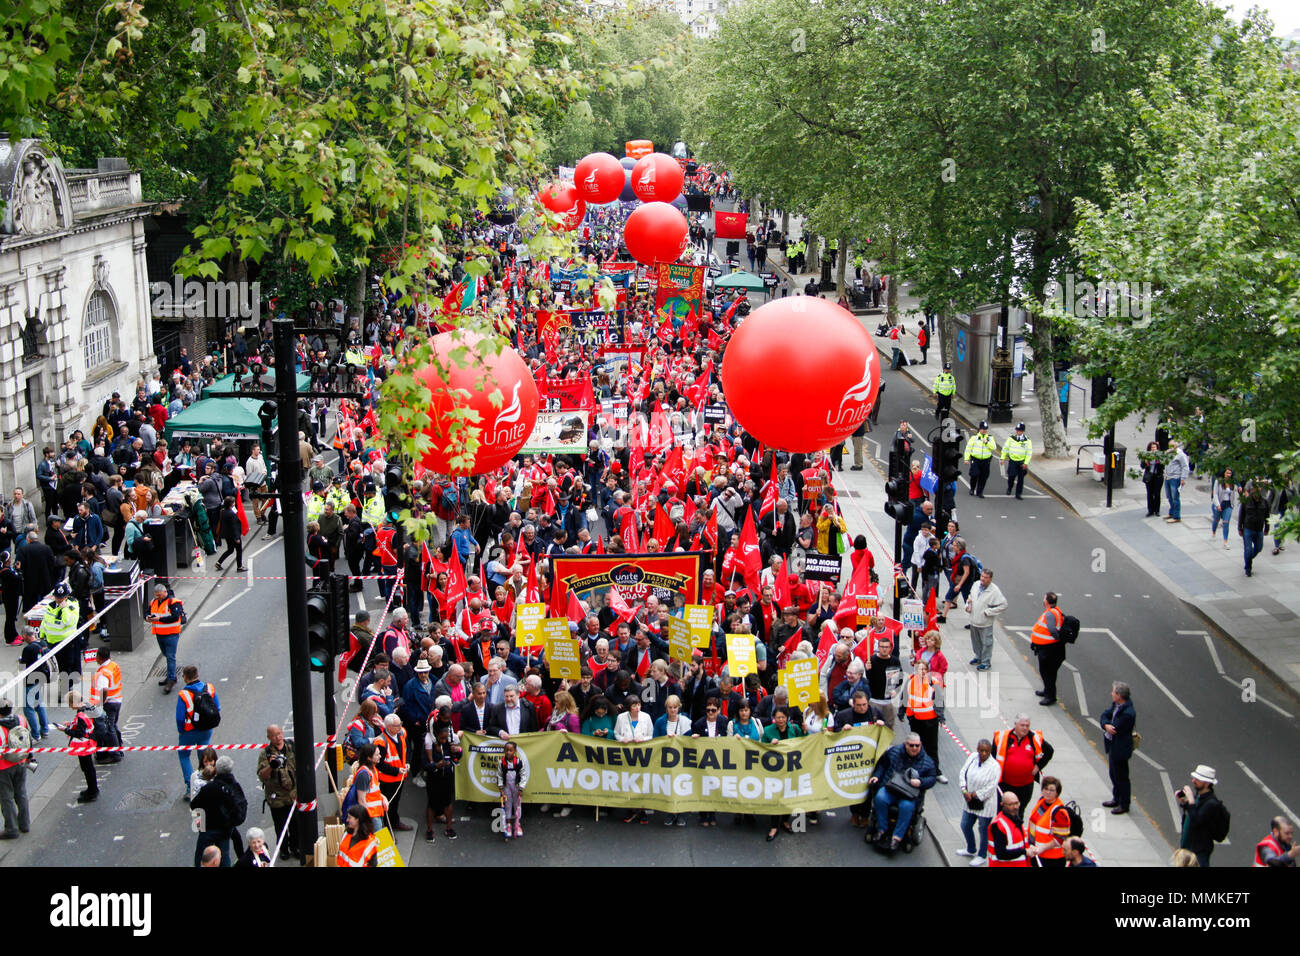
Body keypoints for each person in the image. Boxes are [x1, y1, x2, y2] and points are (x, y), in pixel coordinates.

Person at [867, 733, 937, 851]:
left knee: (906, 807)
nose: (914, 748)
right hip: (891, 788)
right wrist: (877, 776)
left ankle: (897, 837)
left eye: (917, 745)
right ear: (905, 744)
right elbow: (883, 765)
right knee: (880, 798)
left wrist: (921, 782)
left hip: (909, 794)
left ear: (921, 745)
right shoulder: (894, 752)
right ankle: (882, 829)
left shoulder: (927, 762)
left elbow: (932, 778)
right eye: (911, 745)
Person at [190, 755, 246, 867]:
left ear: (216, 769)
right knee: (224, 854)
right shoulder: (234, 786)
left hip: (208, 828)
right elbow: (240, 805)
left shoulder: (210, 787)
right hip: (226, 828)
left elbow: (194, 804)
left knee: (201, 854)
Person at [176, 664, 221, 794]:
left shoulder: (183, 694)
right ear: (197, 675)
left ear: (185, 678)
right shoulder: (210, 688)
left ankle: (191, 786)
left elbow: (180, 718)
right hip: (206, 729)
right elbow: (217, 708)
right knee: (204, 755)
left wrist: (181, 730)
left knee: (184, 755)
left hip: (189, 731)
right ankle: (206, 781)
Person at [993, 714, 1053, 809]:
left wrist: (1038, 766)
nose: (1025, 728)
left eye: (1027, 726)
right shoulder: (1003, 737)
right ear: (1015, 724)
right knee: (1003, 811)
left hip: (1025, 786)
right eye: (1022, 725)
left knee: (1019, 812)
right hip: (1006, 785)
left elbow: (1050, 751)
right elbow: (992, 757)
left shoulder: (1034, 738)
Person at [256, 724, 298, 861]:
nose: (278, 737)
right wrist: (271, 766)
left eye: (280, 733)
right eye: (274, 735)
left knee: (295, 823)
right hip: (277, 798)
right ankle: (284, 849)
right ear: (269, 737)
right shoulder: (266, 754)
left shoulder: (291, 747)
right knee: (280, 826)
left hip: (293, 794)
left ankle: (296, 846)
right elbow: (262, 775)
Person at [761, 707, 803, 841]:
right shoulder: (768, 730)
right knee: (776, 798)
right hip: (775, 771)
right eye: (778, 718)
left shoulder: (795, 729)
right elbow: (761, 748)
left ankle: (785, 821)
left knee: (788, 796)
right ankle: (774, 826)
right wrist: (770, 745)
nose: (780, 720)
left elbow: (805, 743)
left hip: (790, 769)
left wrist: (806, 732)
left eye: (783, 718)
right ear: (774, 718)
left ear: (787, 718)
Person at [955, 738, 1000, 866]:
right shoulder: (973, 758)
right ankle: (971, 848)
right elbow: (963, 773)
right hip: (969, 802)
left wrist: (975, 794)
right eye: (981, 750)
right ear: (977, 749)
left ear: (990, 751)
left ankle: (982, 855)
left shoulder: (995, 766)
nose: (984, 753)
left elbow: (991, 787)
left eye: (986, 751)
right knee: (965, 825)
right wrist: (964, 790)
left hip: (985, 805)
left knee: (983, 829)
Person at [1177, 764, 1228, 867]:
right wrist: (1184, 803)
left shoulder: (1211, 804)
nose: (1193, 781)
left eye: (1198, 779)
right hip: (1188, 849)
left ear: (1207, 783)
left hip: (1199, 853)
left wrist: (1191, 802)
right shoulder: (1199, 797)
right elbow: (1192, 815)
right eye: (1194, 778)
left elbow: (1197, 821)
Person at [1099, 681, 1136, 815]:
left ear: (1119, 695)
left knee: (1121, 776)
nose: (1112, 694)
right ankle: (1117, 798)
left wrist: (1108, 725)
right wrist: (1106, 725)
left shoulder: (1128, 713)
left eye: (1114, 692)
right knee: (1113, 774)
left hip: (1120, 748)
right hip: (1113, 745)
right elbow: (1104, 715)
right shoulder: (1116, 705)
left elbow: (1116, 728)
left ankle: (1124, 803)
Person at [38, 583, 80, 698]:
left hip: (66, 643)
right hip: (52, 642)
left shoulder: (72, 606)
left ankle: (67, 689)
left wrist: (64, 608)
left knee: (66, 666)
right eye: (57, 597)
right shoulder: (51, 606)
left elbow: (68, 622)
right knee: (57, 667)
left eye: (62, 597)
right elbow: (45, 621)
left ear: (67, 596)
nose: (59, 599)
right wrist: (41, 635)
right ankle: (65, 685)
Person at [905, 658, 943, 783]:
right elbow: (905, 697)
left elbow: (939, 701)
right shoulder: (910, 681)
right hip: (915, 720)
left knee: (931, 748)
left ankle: (936, 772)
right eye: (919, 669)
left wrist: (941, 717)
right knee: (916, 747)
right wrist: (903, 713)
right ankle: (917, 771)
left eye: (924, 669)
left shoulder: (933, 683)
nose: (921, 672)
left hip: (930, 721)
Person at [58, 691, 101, 803]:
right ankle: (92, 789)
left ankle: (92, 792)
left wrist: (66, 730)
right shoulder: (84, 709)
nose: (69, 706)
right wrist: (71, 724)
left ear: (73, 703)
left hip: (84, 745)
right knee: (88, 768)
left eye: (69, 703)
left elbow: (80, 733)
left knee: (87, 768)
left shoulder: (81, 715)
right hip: (88, 743)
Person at [373, 713, 412, 831]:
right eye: (397, 725)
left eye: (400, 724)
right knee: (387, 805)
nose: (400, 727)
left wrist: (408, 762)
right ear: (388, 727)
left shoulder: (401, 733)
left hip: (400, 777)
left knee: (395, 803)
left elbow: (408, 749)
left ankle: (395, 822)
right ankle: (388, 828)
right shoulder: (381, 742)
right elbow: (379, 764)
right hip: (388, 780)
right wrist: (396, 770)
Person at [0, 699, 31, 838]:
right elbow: (28, 739)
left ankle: (11, 829)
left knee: (6, 797)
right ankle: (24, 824)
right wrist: (30, 756)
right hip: (21, 761)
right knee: (21, 793)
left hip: (3, 766)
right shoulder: (21, 719)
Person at [146, 582, 185, 693]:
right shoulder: (153, 602)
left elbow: (175, 617)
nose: (157, 597)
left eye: (159, 595)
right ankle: (170, 676)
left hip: (171, 634)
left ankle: (171, 679)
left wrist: (159, 619)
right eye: (156, 595)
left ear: (165, 592)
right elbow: (147, 613)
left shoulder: (173, 602)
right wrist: (147, 617)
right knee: (166, 654)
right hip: (159, 634)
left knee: (170, 656)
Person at [966, 568, 1007, 671]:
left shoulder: (994, 591)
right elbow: (970, 597)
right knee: (975, 641)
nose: (982, 579)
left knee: (987, 643)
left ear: (990, 579)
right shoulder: (976, 585)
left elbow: (1003, 605)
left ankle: (986, 662)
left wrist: (988, 612)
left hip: (985, 622)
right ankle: (978, 657)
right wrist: (967, 605)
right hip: (974, 620)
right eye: (982, 576)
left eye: (985, 577)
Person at [1026, 776, 1071, 867]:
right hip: (1037, 853)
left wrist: (1041, 848)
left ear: (1057, 793)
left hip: (1052, 859)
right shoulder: (1042, 801)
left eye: (1052, 790)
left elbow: (1060, 839)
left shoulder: (1059, 812)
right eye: (1046, 789)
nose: (1048, 792)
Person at [1030, 591, 1065, 705]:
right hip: (1048, 648)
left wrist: (1057, 639)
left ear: (1046, 601)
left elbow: (1052, 630)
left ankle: (1050, 697)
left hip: (1049, 649)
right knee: (1047, 672)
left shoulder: (1050, 614)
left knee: (1047, 673)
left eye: (1044, 598)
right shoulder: (1054, 611)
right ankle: (1047, 691)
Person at [89, 647, 123, 762]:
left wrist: (100, 704)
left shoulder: (103, 673)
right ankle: (119, 748)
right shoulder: (113, 665)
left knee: (109, 728)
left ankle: (115, 754)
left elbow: (104, 690)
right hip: (117, 700)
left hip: (109, 704)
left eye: (96, 656)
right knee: (113, 725)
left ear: (99, 657)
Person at [988, 792, 1038, 867]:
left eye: (1016, 803)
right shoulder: (999, 826)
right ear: (1002, 805)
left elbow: (1018, 841)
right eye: (1011, 804)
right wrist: (1024, 851)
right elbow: (1001, 854)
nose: (1015, 807)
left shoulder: (1014, 819)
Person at [1238, 481, 1270, 577]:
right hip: (1248, 528)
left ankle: (1248, 558)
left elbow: (1267, 516)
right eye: (1255, 489)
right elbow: (1241, 514)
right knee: (1248, 550)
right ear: (1252, 490)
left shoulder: (1264, 502)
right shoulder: (1246, 501)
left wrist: (1267, 528)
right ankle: (1248, 568)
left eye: (1259, 489)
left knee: (1259, 548)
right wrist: (1240, 527)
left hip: (1259, 529)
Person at [498, 740, 527, 840]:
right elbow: (500, 776)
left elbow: (523, 775)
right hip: (507, 787)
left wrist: (521, 788)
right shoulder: (501, 763)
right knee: (508, 805)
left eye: (510, 750)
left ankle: (517, 824)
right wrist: (501, 788)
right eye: (506, 750)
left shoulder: (519, 762)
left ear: (515, 751)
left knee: (517, 806)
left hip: (516, 787)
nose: (508, 752)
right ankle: (508, 824)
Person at [963, 422, 997, 497]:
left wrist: (987, 442)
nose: (984, 430)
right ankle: (972, 488)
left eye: (985, 429)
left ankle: (980, 492)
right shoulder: (974, 438)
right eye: (983, 429)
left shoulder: (990, 438)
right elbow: (968, 449)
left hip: (986, 460)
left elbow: (994, 447)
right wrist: (966, 459)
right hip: (975, 459)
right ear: (980, 429)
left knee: (984, 476)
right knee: (974, 474)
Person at [214, 496, 246, 572]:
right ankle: (239, 566)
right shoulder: (231, 514)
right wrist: (237, 538)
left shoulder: (223, 511)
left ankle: (219, 562)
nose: (234, 503)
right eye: (233, 502)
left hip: (227, 535)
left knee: (230, 550)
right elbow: (234, 526)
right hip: (233, 536)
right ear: (231, 504)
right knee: (239, 550)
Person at [1001, 423, 1032, 499]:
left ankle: (1018, 494)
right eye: (1017, 430)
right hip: (1013, 461)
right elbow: (1005, 448)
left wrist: (1026, 463)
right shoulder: (1011, 439)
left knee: (1021, 479)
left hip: (1021, 462)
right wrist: (1002, 458)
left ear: (1023, 431)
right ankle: (1009, 487)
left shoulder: (1027, 441)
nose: (1018, 432)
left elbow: (1029, 453)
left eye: (1019, 430)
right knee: (1011, 476)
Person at [1209, 468, 1236, 549]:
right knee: (1216, 519)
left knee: (1226, 522)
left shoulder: (1232, 483)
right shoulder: (1218, 481)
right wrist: (1217, 505)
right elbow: (1215, 494)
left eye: (1230, 473)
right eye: (1227, 473)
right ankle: (1213, 532)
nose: (1228, 475)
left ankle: (1225, 541)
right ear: (1224, 473)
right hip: (1220, 503)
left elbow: (1234, 493)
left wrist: (1231, 488)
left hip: (1228, 504)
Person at [1163, 440, 1189, 523]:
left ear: (1176, 446)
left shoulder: (1180, 455)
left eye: (1172, 446)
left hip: (1175, 478)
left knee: (1175, 498)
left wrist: (1183, 478)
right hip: (1167, 477)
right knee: (1169, 496)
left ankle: (1176, 516)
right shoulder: (1168, 453)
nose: (1170, 448)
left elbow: (1185, 466)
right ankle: (1171, 512)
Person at [1140, 441, 1164, 517]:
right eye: (1152, 448)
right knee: (1149, 494)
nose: (1153, 449)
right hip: (1149, 476)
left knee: (1157, 494)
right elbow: (1142, 466)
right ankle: (1150, 510)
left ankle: (1157, 510)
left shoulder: (1160, 456)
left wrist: (1159, 461)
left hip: (1158, 476)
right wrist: (1145, 462)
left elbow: (1163, 466)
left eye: (1154, 447)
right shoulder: (1146, 456)